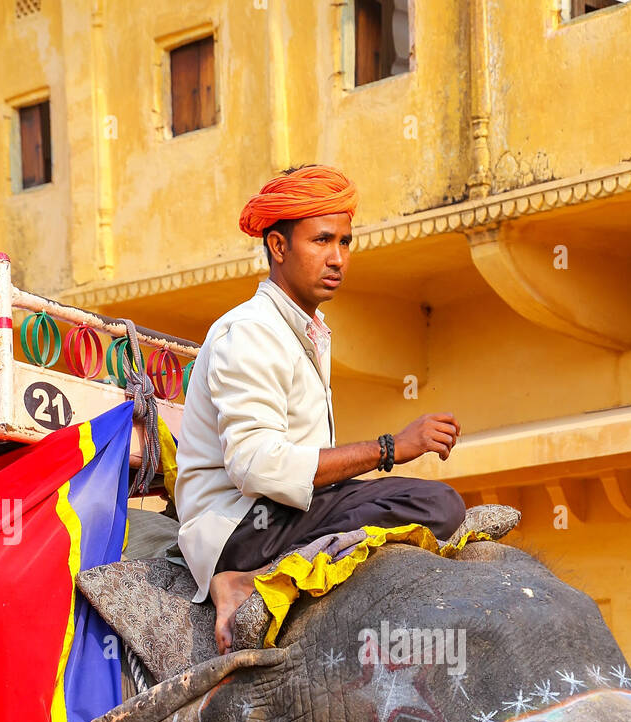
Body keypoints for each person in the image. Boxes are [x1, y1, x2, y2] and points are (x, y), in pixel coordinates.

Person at [173, 163, 467, 654]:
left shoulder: (306, 327)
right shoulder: (250, 331)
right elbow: (256, 466)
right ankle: (243, 578)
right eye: (322, 241)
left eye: (345, 242)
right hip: (246, 524)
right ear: (278, 246)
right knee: (436, 505)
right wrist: (391, 448)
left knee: (427, 502)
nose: (337, 258)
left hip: (285, 511)